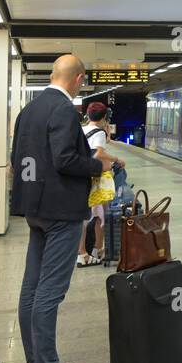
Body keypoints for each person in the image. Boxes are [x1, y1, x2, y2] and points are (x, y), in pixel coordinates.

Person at [10, 55, 116, 363]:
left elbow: (18, 159)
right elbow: (65, 160)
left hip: (35, 208)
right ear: (78, 79)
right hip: (61, 212)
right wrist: (98, 168)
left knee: (31, 287)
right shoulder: (63, 111)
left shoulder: (29, 110)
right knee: (49, 291)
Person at [78, 102, 121, 266]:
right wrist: (117, 160)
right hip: (98, 178)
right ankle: (97, 250)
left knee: (85, 217)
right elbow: (98, 152)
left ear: (88, 115)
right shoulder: (100, 133)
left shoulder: (81, 130)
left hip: (82, 177)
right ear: (104, 117)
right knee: (102, 216)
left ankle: (82, 253)